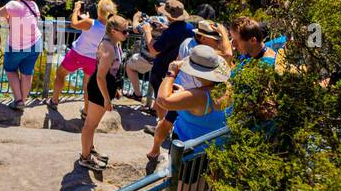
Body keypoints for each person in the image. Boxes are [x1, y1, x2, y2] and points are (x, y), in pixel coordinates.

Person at [145, 18, 230, 161]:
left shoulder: (191, 46)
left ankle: (155, 149)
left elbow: (163, 99)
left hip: (190, 96)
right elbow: (228, 55)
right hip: (186, 94)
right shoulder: (204, 55)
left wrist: (172, 74)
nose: (218, 42)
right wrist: (224, 33)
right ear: (202, 37)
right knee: (166, 123)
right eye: (215, 39)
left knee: (166, 123)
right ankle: (155, 149)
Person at [78, 14, 131, 169]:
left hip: (105, 86)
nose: (127, 34)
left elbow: (112, 72)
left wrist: (116, 88)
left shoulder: (115, 43)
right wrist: (107, 99)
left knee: (92, 125)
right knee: (90, 124)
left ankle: (89, 148)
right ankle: (85, 157)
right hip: (99, 88)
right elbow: (101, 77)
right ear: (114, 31)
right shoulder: (108, 48)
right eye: (125, 31)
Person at [48, 0, 116, 109]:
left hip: (77, 54)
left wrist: (76, 10)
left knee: (60, 74)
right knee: (87, 86)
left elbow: (74, 24)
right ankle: (86, 111)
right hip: (94, 60)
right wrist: (86, 19)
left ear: (99, 9)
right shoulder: (111, 30)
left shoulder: (90, 23)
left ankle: (54, 101)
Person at [0, 0, 42, 109]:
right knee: (27, 73)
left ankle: (18, 101)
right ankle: (23, 100)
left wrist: (9, 18)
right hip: (35, 44)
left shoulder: (12, 5)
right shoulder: (34, 5)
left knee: (11, 70)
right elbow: (24, 9)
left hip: (17, 46)